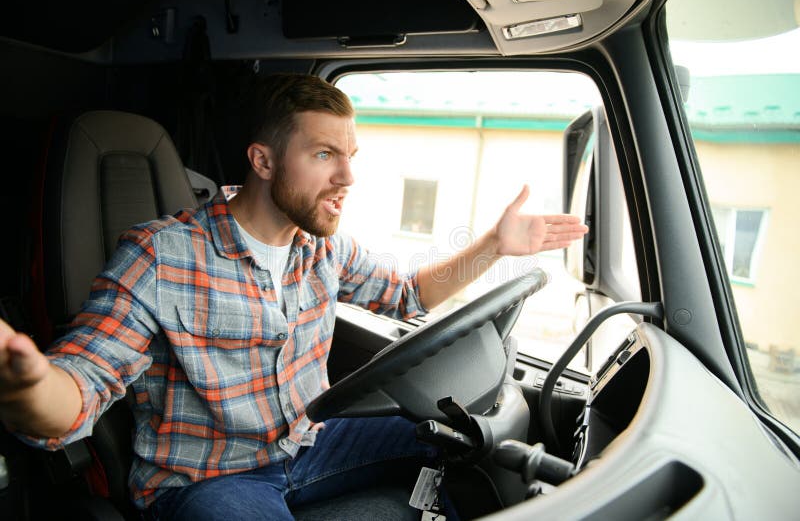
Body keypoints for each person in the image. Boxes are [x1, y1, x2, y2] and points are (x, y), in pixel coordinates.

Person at [0, 73, 587, 519]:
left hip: (311, 444)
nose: (348, 178)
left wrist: (495, 245)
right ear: (263, 160)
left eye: (350, 157)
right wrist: (30, 386)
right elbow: (81, 383)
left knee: (463, 442)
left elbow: (407, 294)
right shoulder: (160, 256)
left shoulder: (322, 247)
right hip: (209, 479)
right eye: (325, 155)